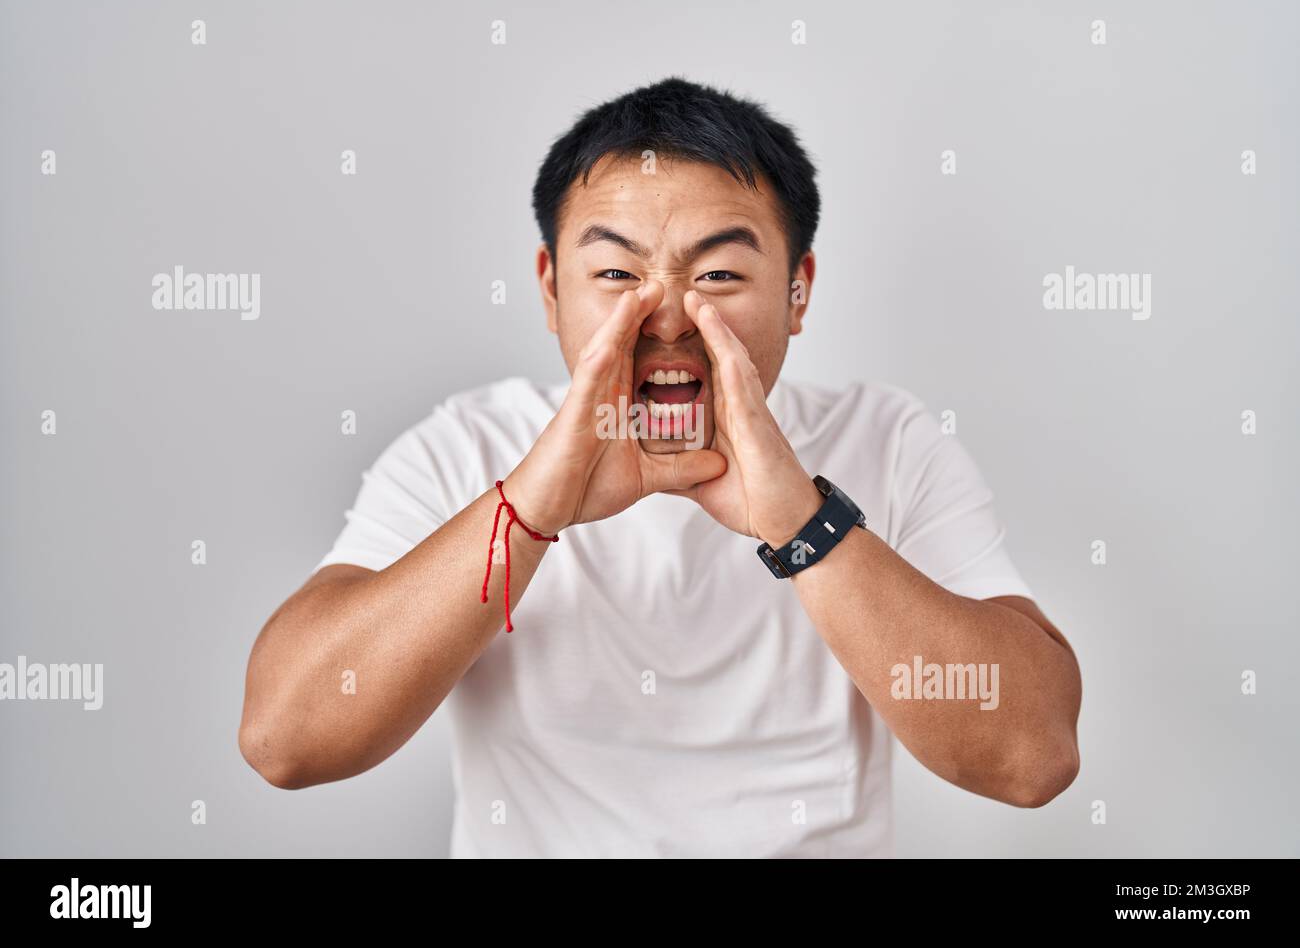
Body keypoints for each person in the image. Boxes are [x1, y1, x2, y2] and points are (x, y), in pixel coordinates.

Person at [238, 76, 1082, 857]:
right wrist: (532, 509)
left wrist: (804, 525)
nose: (669, 317)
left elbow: (1030, 755)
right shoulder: (464, 445)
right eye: (616, 273)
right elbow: (287, 739)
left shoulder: (887, 440)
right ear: (548, 288)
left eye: (719, 272)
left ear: (798, 291)